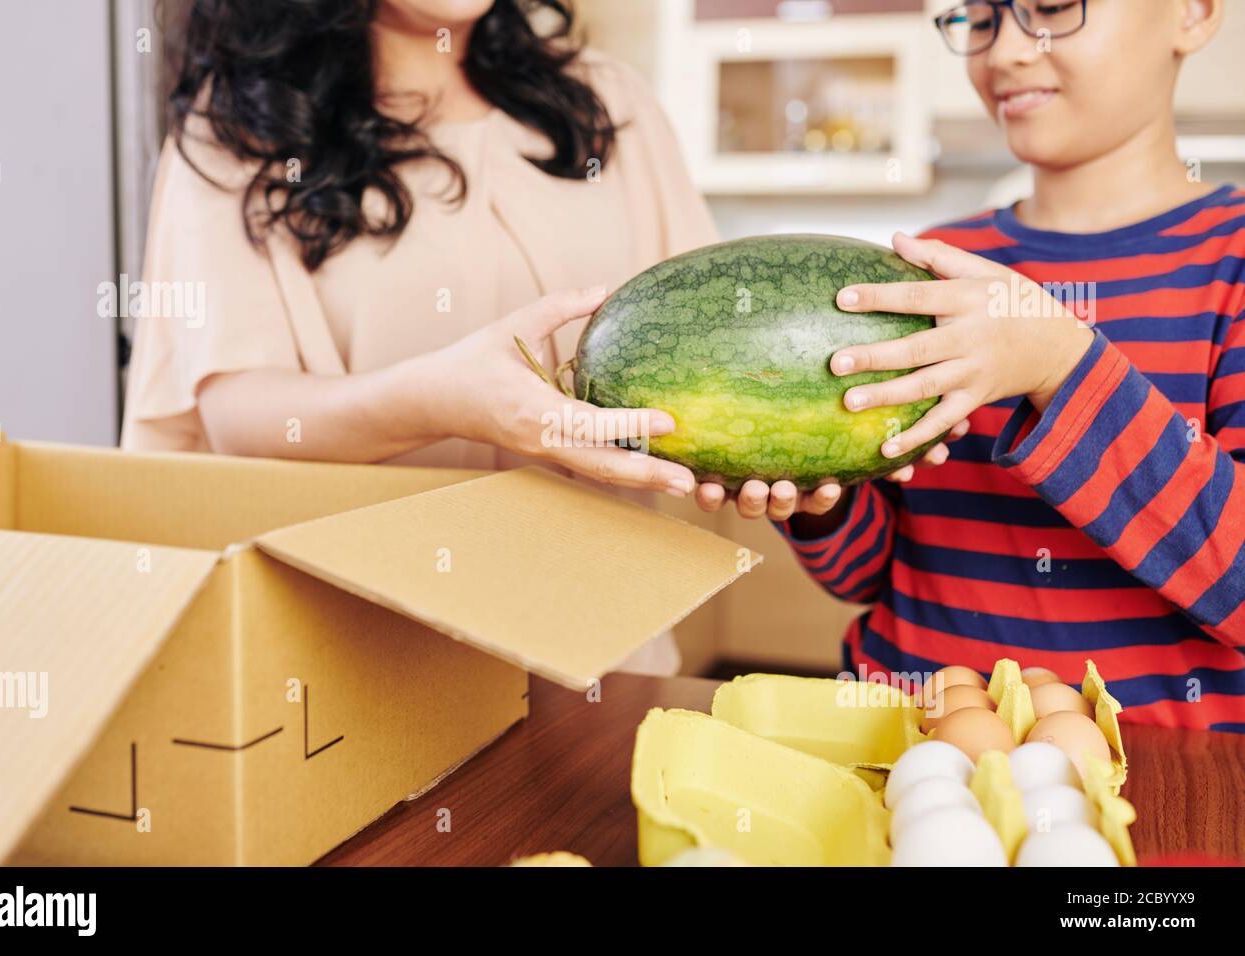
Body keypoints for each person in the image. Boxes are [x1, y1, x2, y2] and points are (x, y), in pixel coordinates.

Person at [121, 0, 714, 673]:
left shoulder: (606, 98)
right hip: (363, 665)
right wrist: (443, 401)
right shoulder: (238, 127)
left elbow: (710, 345)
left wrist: (785, 474)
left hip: (607, 657)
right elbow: (238, 414)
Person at [719, 0, 1244, 729]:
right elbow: (869, 573)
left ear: (1192, 13)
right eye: (982, 18)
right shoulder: (930, 265)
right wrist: (820, 499)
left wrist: (1063, 365)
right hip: (901, 754)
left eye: (1053, 7)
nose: (1004, 53)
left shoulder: (1233, 264)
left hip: (1161, 791)